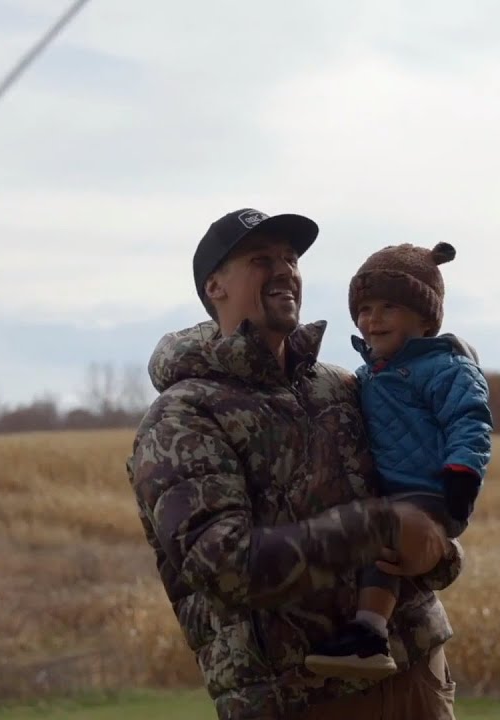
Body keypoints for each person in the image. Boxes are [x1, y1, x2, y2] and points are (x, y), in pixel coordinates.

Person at [127, 208, 465, 720]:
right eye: (261, 260)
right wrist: (378, 527)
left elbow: (415, 494)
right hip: (296, 699)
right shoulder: (183, 417)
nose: (284, 270)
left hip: (417, 676)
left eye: (290, 259)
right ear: (215, 286)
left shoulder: (343, 386)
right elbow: (223, 566)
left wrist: (437, 551)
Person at [304, 242, 493, 680]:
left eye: (389, 307)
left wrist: (462, 473)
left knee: (384, 533)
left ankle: (370, 635)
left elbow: (470, 420)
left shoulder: (446, 367)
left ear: (426, 318)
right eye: (364, 309)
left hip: (431, 490)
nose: (373, 320)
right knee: (369, 535)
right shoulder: (370, 374)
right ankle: (359, 630)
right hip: (392, 490)